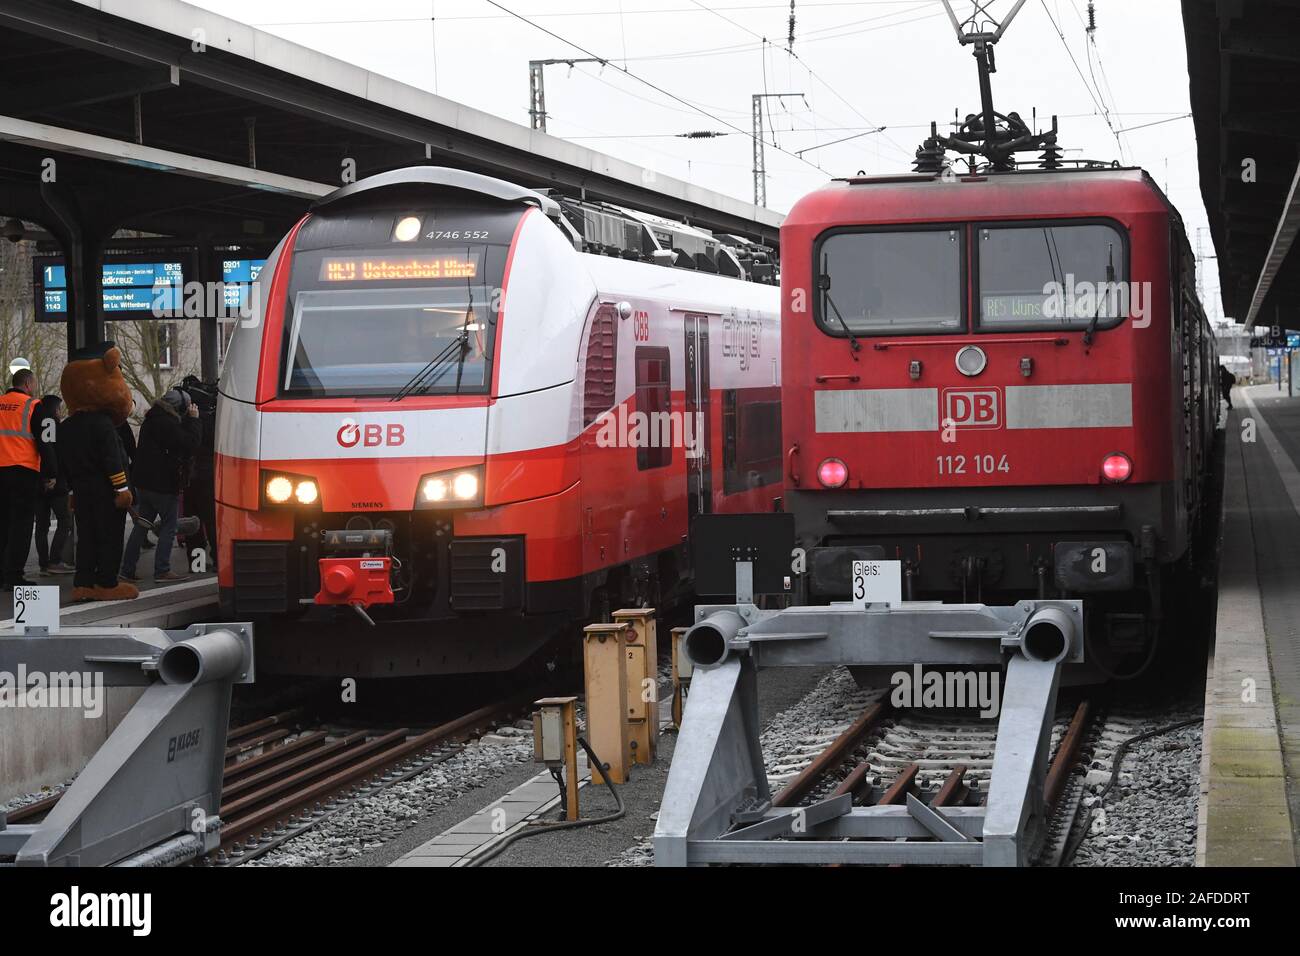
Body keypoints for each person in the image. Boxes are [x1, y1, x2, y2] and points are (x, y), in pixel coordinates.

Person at [58, 342, 138, 602]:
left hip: (80, 490)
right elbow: (112, 459)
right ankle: (106, 582)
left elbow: (64, 462)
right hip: (105, 491)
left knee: (87, 537)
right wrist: (122, 489)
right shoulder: (103, 424)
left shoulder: (67, 426)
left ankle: (83, 583)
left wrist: (70, 490)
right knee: (109, 537)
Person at [120, 388, 201, 583]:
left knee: (141, 526)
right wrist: (194, 419)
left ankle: (127, 569)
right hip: (162, 484)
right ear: (179, 407)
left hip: (143, 483)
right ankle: (162, 570)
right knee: (169, 526)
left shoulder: (152, 418)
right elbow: (190, 443)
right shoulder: (168, 423)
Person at [0, 368, 56, 589]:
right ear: (28, 384)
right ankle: (14, 575)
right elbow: (45, 442)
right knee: (21, 526)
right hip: (23, 472)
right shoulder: (34, 406)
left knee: (2, 524)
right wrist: (51, 473)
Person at [33, 395, 73, 575]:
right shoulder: (58, 427)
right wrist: (55, 476)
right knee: (64, 521)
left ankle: (43, 564)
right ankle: (55, 560)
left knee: (42, 525)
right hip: (57, 483)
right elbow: (61, 454)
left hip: (37, 481)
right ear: (55, 409)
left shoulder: (34, 424)